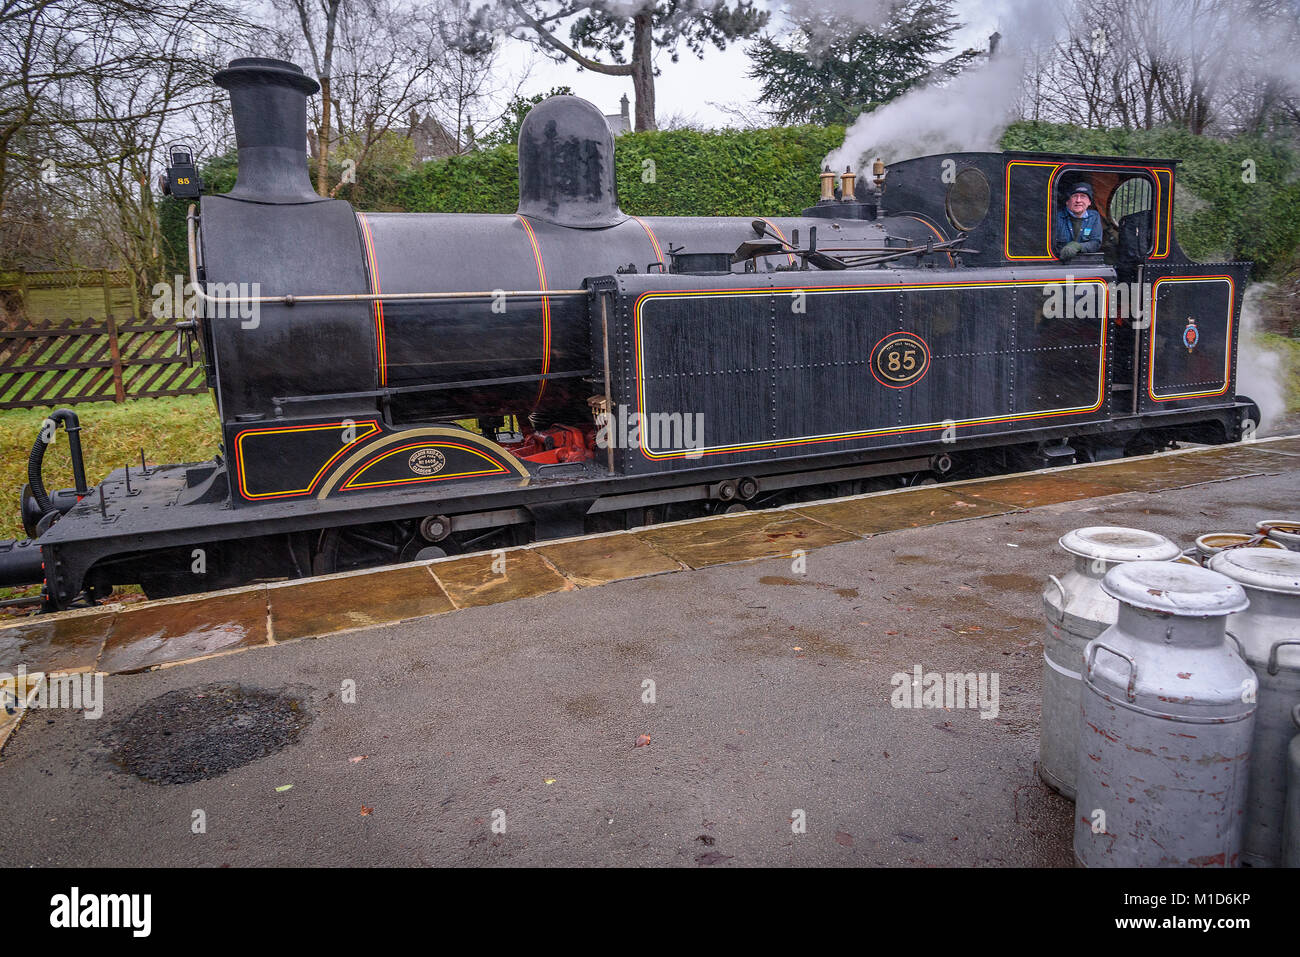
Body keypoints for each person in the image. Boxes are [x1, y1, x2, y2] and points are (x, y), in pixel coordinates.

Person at [1054, 182, 1102, 261]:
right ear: (1067, 201)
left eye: (1083, 196)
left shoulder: (1094, 216)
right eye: (1074, 196)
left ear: (1089, 202)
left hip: (1084, 263)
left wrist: (1078, 246)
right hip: (1059, 263)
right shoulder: (1056, 217)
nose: (1078, 200)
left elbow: (1096, 243)